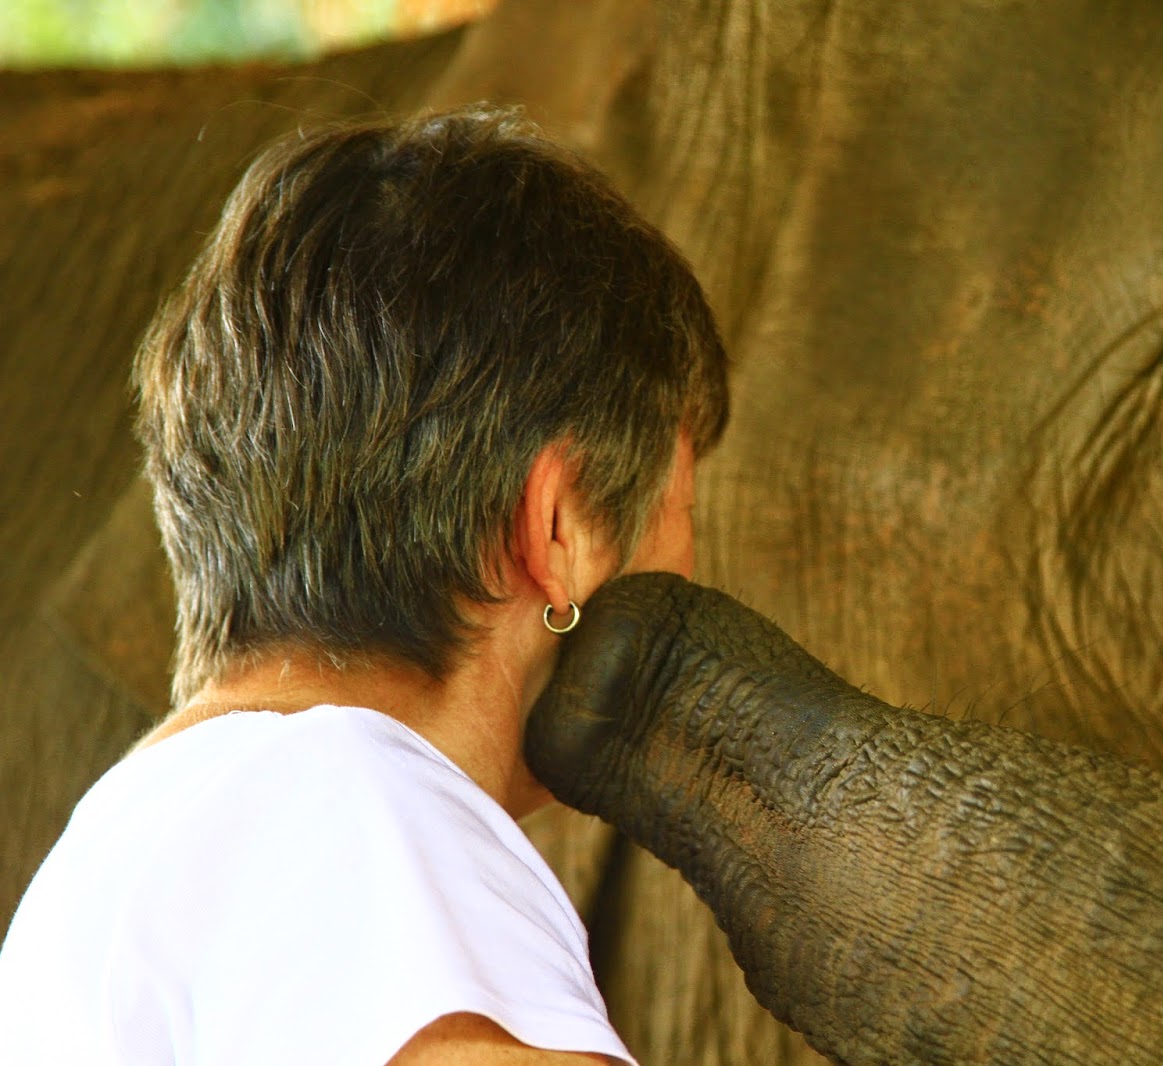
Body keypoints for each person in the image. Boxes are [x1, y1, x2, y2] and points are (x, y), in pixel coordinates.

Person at [0, 104, 727, 1064]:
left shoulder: (118, 852)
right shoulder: (358, 814)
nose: (692, 575)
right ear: (559, 529)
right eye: (681, 514)